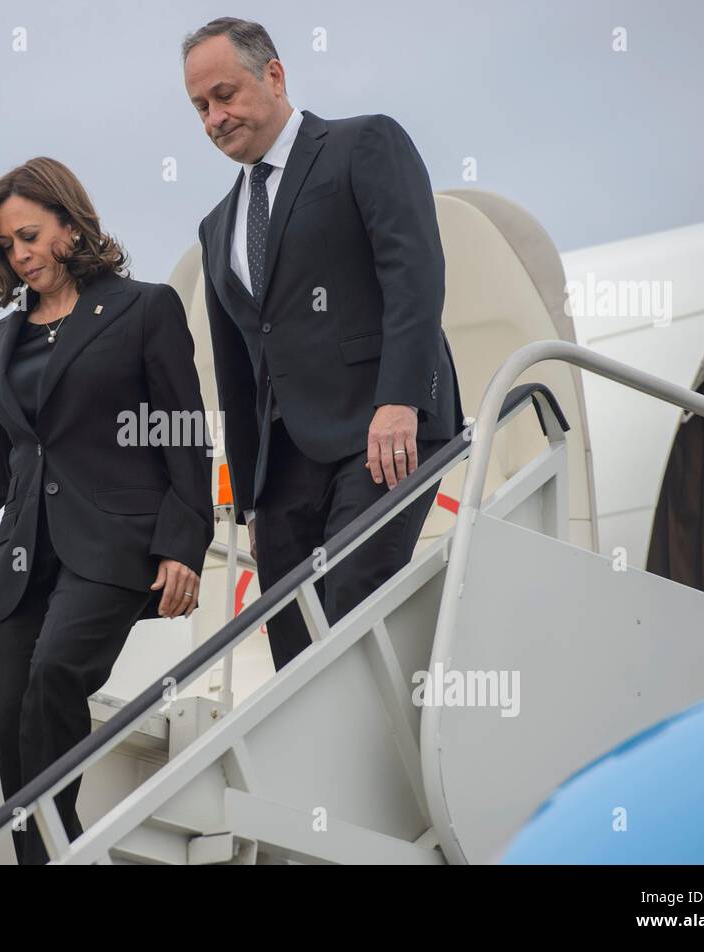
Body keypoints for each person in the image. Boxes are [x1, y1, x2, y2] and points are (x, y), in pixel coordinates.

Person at [0, 157, 213, 864]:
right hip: (23, 556)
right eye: (5, 247)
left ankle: (55, 850)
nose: (20, 255)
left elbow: (184, 434)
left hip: (115, 544)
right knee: (12, 726)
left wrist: (184, 542)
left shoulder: (145, 309)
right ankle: (49, 856)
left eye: (29, 235)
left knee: (56, 674)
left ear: (70, 224)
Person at [182, 18, 464, 672]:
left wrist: (400, 402)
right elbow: (238, 371)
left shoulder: (363, 144)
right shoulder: (215, 225)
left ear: (274, 75)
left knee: (354, 597)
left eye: (225, 95)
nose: (214, 118)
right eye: (200, 107)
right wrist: (250, 497)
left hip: (380, 429)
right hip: (283, 470)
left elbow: (415, 275)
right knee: (294, 646)